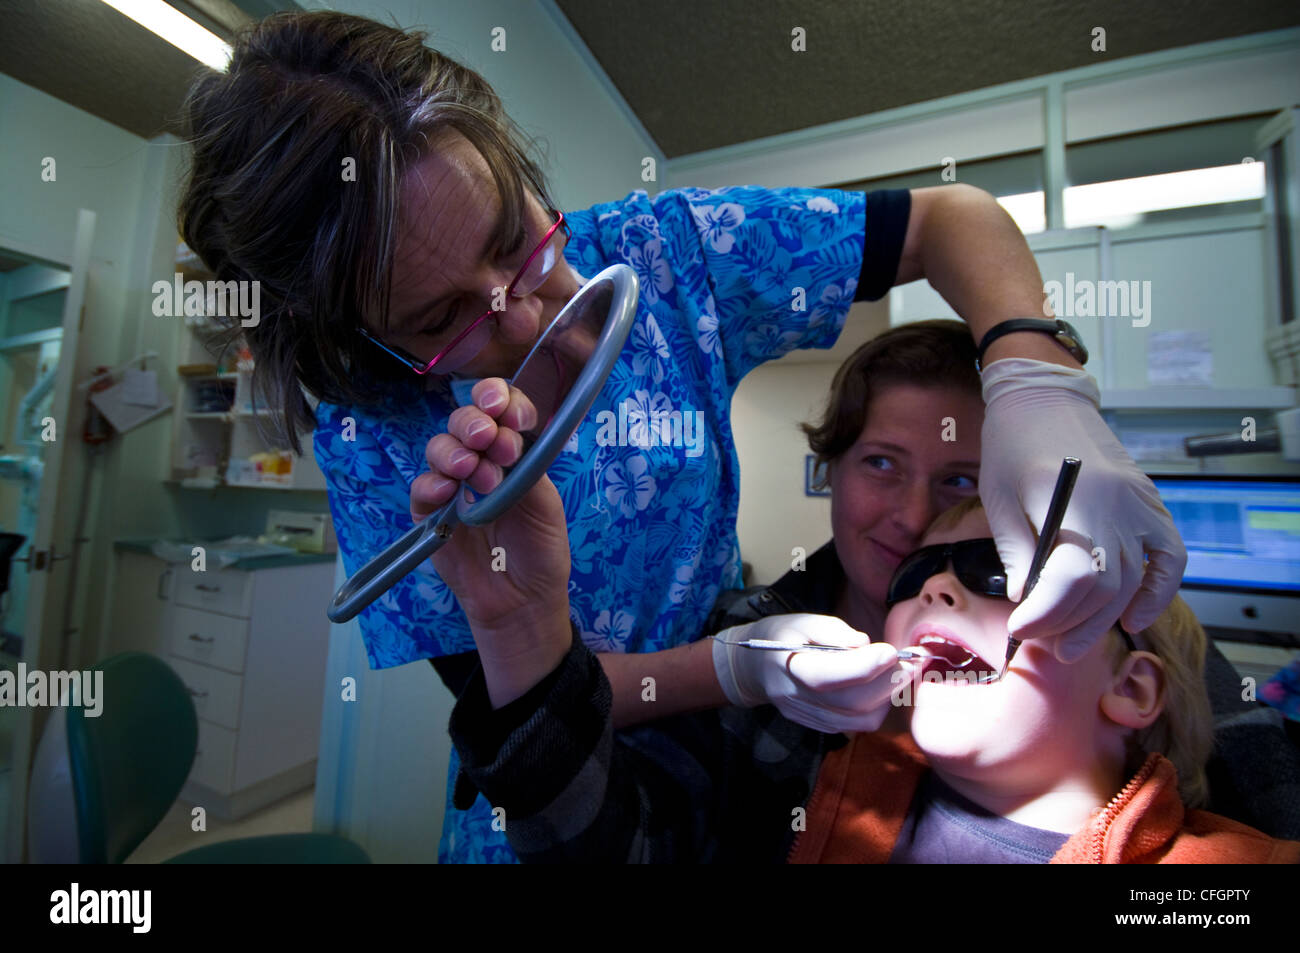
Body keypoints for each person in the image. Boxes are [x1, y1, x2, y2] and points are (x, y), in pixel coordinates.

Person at [177, 11, 1187, 862]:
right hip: (553, 775)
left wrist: (1031, 376)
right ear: (361, 338)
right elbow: (517, 700)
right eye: (441, 320)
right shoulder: (377, 437)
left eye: (512, 241)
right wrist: (741, 664)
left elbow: (949, 219)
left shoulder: (668, 253)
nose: (521, 317)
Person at [444, 493, 1300, 863]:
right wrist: (517, 630)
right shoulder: (820, 791)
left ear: (1134, 691)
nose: (933, 587)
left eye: (995, 568)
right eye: (915, 580)